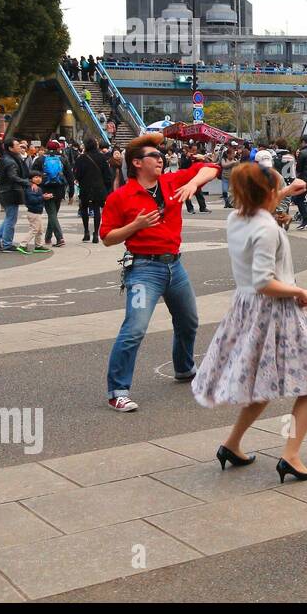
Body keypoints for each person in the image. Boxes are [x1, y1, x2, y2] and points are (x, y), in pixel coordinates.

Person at [192, 162, 307, 482]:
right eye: (278, 186)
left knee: (262, 384)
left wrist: (284, 192)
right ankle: (290, 454)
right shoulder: (267, 229)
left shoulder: (236, 218)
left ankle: (232, 444)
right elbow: (264, 281)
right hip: (275, 310)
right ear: (267, 193)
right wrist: (299, 290)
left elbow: (260, 216)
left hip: (246, 309)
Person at [98, 134, 220, 411]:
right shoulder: (121, 197)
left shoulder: (169, 181)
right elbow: (106, 237)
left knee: (188, 321)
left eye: (160, 155)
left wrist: (192, 183)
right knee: (134, 329)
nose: (161, 158)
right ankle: (118, 390)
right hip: (143, 269)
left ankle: (184, 368)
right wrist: (135, 225)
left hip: (175, 266)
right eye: (154, 155)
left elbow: (212, 168)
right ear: (137, 163)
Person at [0, 138, 30, 253]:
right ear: (10, 148)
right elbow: (13, 176)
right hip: (10, 192)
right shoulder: (10, 160)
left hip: (8, 191)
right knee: (11, 218)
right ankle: (7, 243)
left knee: (9, 217)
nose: (20, 147)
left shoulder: (9, 158)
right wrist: (27, 182)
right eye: (17, 145)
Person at [30, 140, 71, 247]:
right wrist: (71, 193)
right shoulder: (63, 159)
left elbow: (31, 174)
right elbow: (70, 175)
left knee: (52, 214)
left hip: (45, 188)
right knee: (53, 214)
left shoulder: (40, 159)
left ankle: (59, 238)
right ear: (58, 148)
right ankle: (48, 237)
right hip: (59, 189)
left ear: (47, 148)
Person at [74, 137, 110, 242]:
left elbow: (77, 174)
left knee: (84, 208)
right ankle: (95, 234)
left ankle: (86, 232)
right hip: (99, 187)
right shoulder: (102, 158)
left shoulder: (81, 158)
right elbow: (107, 175)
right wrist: (106, 188)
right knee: (96, 209)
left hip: (85, 187)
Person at [17, 173, 53, 254]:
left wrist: (43, 196)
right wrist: (43, 197)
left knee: (40, 230)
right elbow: (32, 200)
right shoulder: (32, 188)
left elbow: (36, 198)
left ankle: (38, 246)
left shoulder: (37, 188)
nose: (39, 179)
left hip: (37, 211)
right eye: (36, 177)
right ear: (31, 179)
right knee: (34, 229)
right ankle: (23, 245)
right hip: (33, 212)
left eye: (40, 177)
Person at [179, 144, 210, 214]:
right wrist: (187, 157)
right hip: (186, 176)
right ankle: (190, 209)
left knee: (199, 192)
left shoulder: (197, 156)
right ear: (189, 149)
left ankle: (203, 207)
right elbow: (183, 165)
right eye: (193, 150)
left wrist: (203, 159)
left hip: (195, 177)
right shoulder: (184, 155)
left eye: (196, 150)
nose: (194, 152)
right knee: (188, 193)